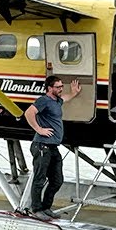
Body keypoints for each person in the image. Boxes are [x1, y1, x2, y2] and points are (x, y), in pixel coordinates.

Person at [23, 75, 81, 219]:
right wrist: (39, 129)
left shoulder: (57, 101)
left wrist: (73, 93)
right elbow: (29, 113)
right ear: (49, 88)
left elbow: (64, 98)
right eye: (58, 87)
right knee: (39, 178)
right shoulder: (44, 100)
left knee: (57, 180)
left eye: (62, 86)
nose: (61, 89)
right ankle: (35, 209)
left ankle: (46, 207)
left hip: (53, 147)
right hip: (42, 145)